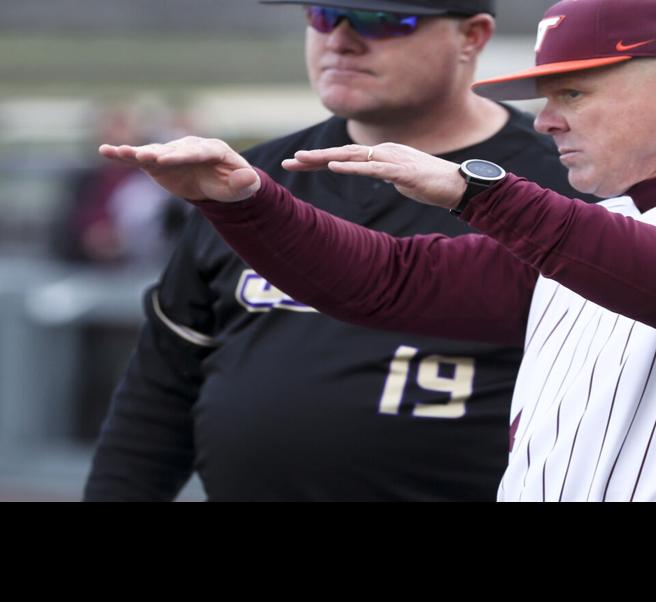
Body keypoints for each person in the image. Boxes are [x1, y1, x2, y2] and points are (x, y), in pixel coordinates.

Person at [98, 0, 656, 502]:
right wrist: (247, 200)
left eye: (573, 92)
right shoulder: (603, 228)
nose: (548, 118)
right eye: (546, 98)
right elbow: (385, 280)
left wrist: (478, 193)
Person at [84, 0, 583, 501]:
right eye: (323, 16)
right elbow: (160, 391)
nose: (340, 40)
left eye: (380, 19)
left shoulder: (563, 186)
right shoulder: (244, 179)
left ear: (472, 36)